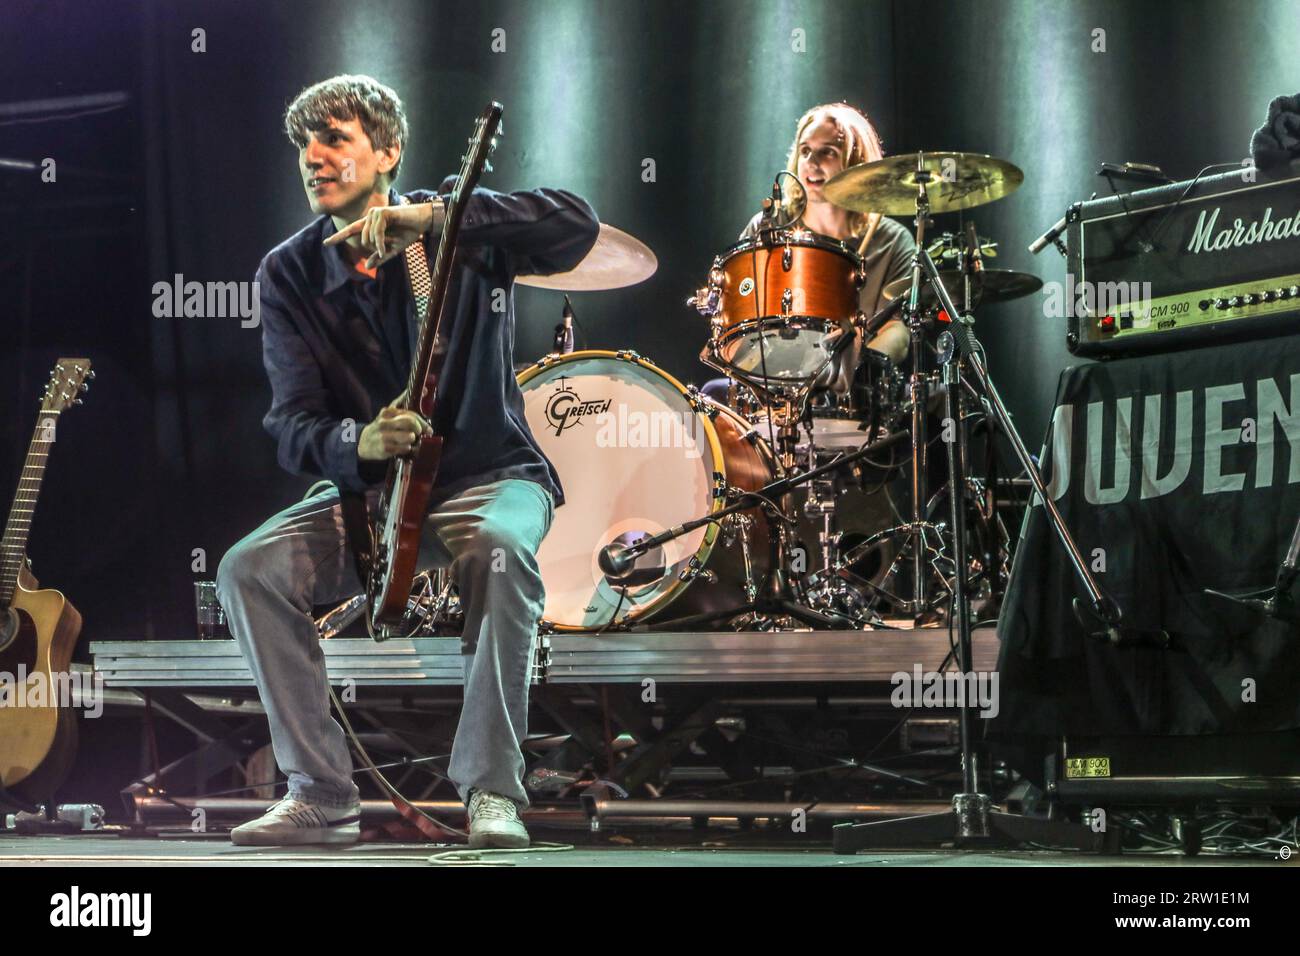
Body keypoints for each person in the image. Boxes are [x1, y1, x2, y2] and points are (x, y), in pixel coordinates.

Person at [215, 75, 599, 848]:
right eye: (304, 146)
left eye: (334, 140)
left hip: (493, 476)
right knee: (247, 568)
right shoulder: (289, 272)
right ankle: (321, 792)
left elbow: (575, 225)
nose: (314, 159)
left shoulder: (457, 227)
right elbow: (291, 425)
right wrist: (358, 442)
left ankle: (492, 790)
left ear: (389, 151)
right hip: (371, 493)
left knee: (498, 551)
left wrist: (433, 217)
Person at [730, 102, 915, 400]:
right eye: (805, 150)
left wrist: (854, 370)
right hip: (774, 389)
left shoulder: (892, 241)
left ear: (856, 163)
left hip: (854, 395)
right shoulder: (768, 228)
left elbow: (898, 332)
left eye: (827, 151)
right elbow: (737, 316)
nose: (811, 161)